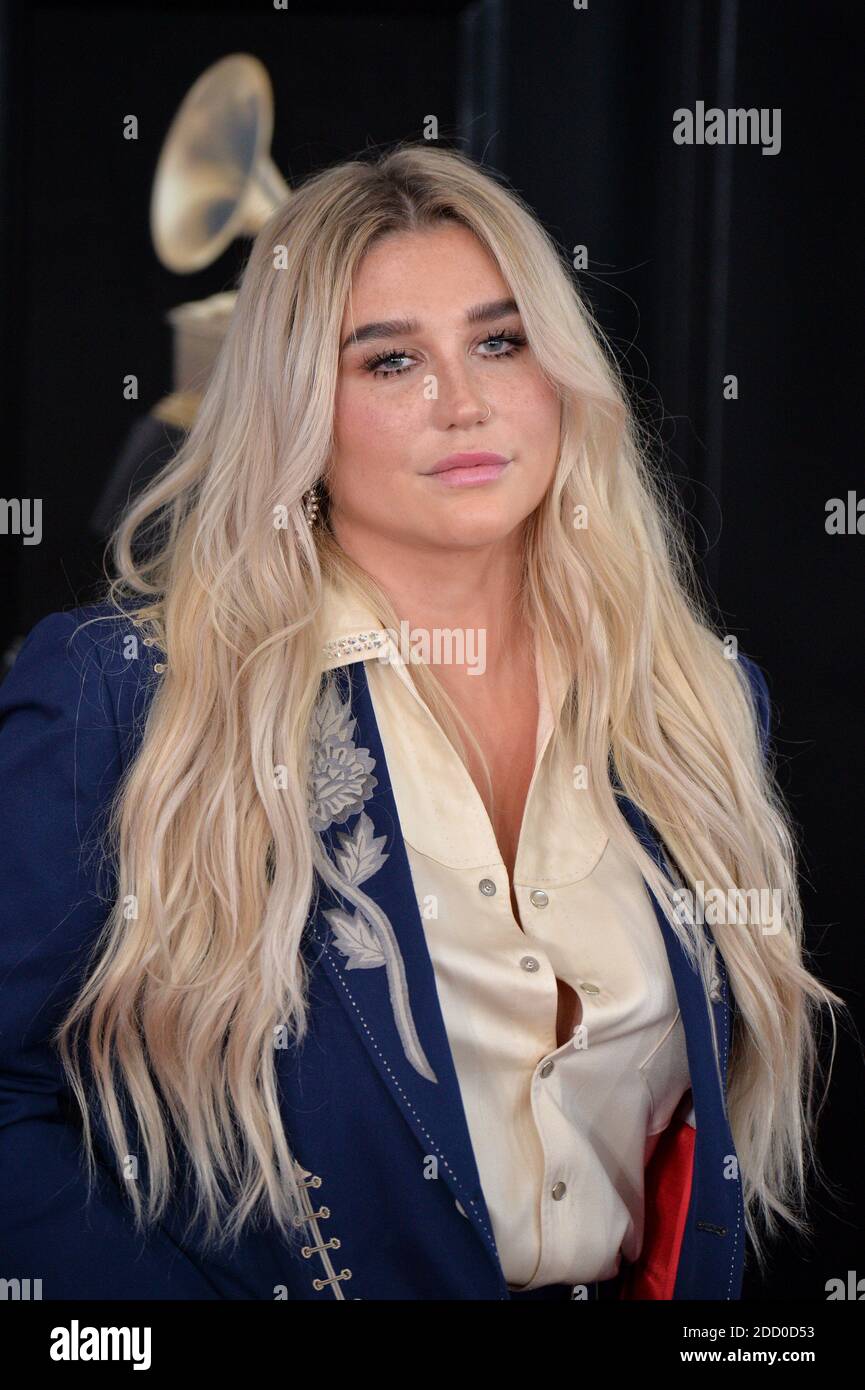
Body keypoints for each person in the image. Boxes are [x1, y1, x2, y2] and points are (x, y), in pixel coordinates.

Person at [0, 142, 842, 1301]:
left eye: (500, 342)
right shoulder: (131, 695)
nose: (467, 401)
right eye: (391, 362)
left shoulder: (693, 698)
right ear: (296, 410)